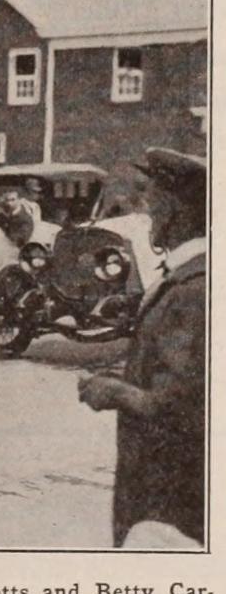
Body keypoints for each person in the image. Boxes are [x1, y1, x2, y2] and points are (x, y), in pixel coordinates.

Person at [79, 148, 206, 548]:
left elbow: (180, 406)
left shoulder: (193, 289)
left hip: (169, 497)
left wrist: (114, 391)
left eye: (150, 197)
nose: (144, 207)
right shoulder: (190, 276)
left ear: (176, 208)